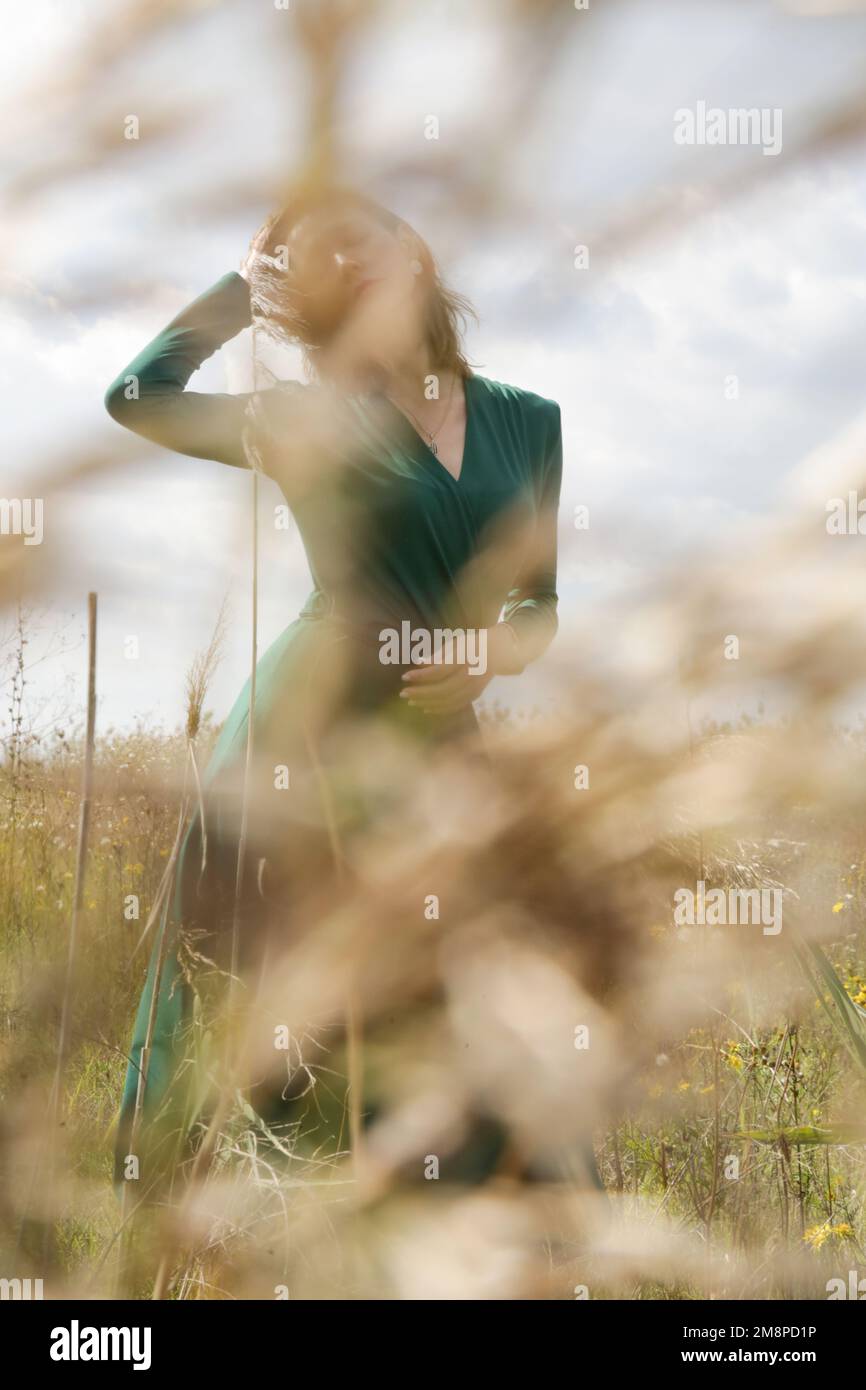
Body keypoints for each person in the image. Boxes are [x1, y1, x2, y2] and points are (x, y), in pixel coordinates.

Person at [105, 183, 564, 1198]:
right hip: (297, 739)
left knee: (447, 979)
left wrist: (489, 653)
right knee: (272, 981)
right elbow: (137, 398)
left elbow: (538, 608)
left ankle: (448, 1212)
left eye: (357, 237)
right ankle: (242, 1215)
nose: (342, 261)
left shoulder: (529, 423)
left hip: (435, 749)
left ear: (419, 254)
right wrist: (237, 287)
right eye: (314, 259)